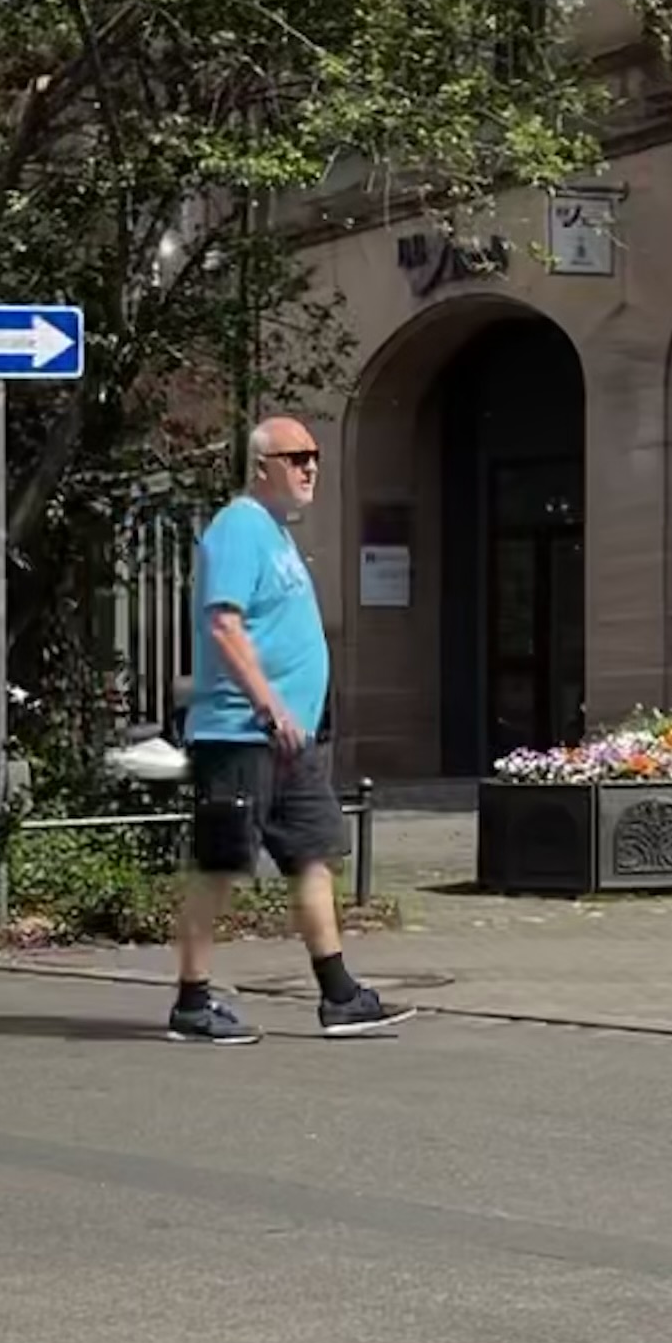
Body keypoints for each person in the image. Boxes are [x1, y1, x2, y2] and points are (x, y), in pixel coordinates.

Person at [169, 418, 397, 1046]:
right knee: (218, 867)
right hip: (242, 734)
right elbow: (224, 625)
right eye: (297, 458)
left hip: (288, 742)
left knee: (312, 856)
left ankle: (340, 996)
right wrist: (270, 707)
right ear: (261, 464)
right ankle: (192, 1004)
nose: (310, 468)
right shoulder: (239, 527)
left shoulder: (276, 534)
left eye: (315, 457)